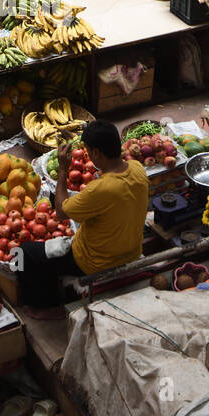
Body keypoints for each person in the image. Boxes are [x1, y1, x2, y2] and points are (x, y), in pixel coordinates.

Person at [17, 119, 149, 310]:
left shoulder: (101, 189)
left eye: (88, 150)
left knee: (22, 252)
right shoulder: (137, 168)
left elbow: (61, 212)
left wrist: (63, 169)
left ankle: (41, 305)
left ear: (96, 153)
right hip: (131, 250)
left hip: (92, 263)